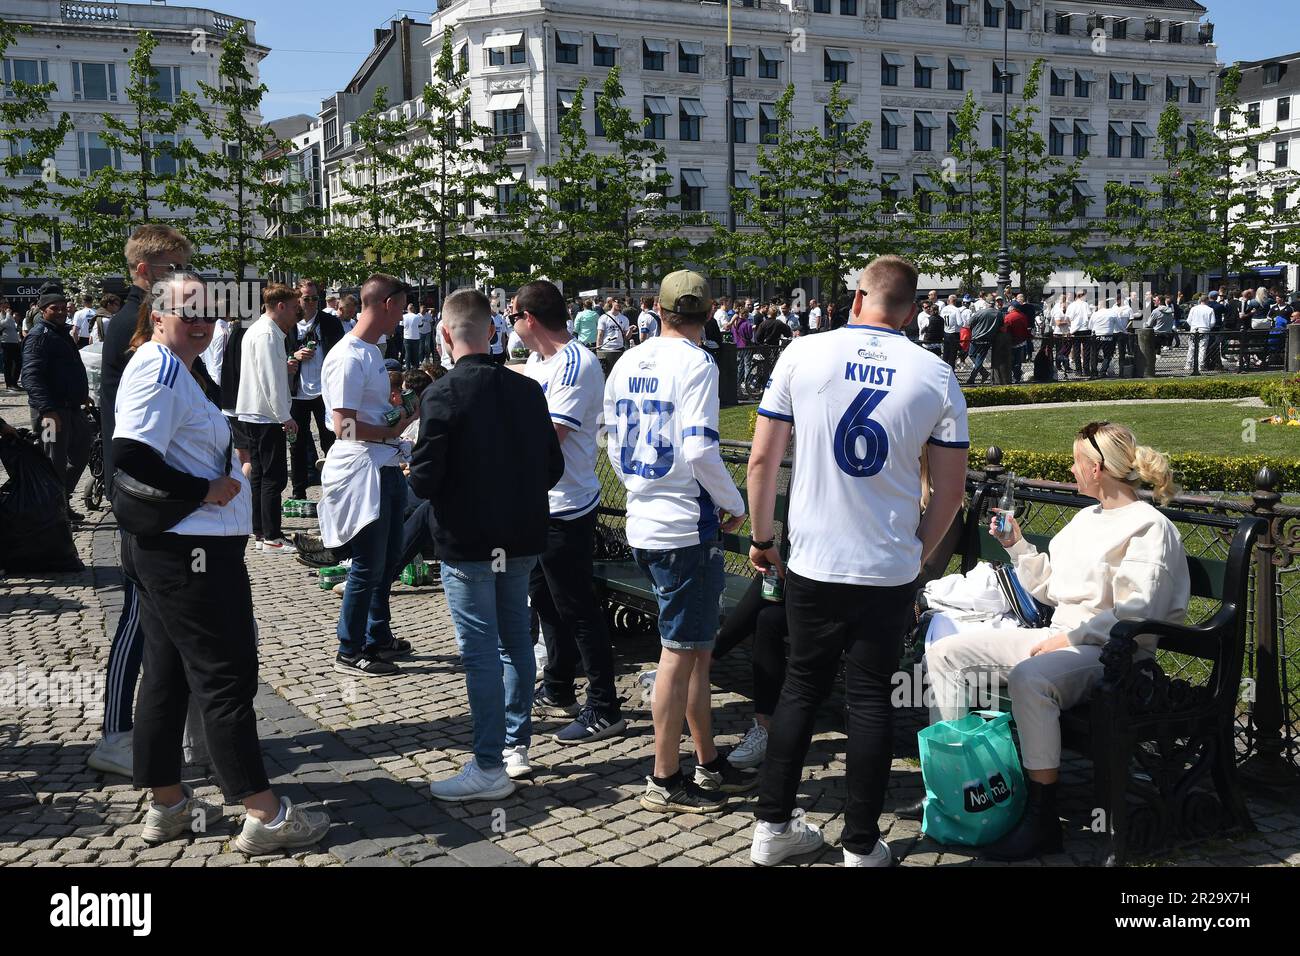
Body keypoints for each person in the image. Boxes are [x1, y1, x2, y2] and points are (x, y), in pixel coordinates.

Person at [746, 255, 969, 867]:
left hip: (814, 557)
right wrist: (915, 559)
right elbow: (950, 493)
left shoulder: (802, 353)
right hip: (886, 565)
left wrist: (764, 539)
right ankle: (861, 847)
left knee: (800, 688)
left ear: (854, 300)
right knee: (870, 698)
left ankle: (770, 829)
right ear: (914, 310)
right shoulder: (936, 374)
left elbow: (762, 462)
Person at [114, 271, 329, 853]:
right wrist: (200, 490)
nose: (202, 324)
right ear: (157, 316)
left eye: (209, 314)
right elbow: (129, 453)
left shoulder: (174, 367)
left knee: (168, 675)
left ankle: (169, 804)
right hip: (193, 549)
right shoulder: (159, 366)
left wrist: (220, 465)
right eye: (189, 314)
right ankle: (264, 812)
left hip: (181, 548)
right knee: (224, 674)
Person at [925, 422, 1188, 860]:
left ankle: (1042, 818)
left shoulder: (1149, 528)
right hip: (1060, 638)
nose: (1071, 468)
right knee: (946, 653)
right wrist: (1017, 546)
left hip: (1113, 655)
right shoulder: (1088, 517)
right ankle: (956, 788)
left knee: (1031, 678)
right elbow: (1052, 589)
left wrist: (1070, 636)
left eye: (1076, 462)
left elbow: (1136, 614)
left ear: (1097, 468)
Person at [605, 269, 755, 816]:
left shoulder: (626, 360)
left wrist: (639, 486)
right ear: (708, 312)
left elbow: (614, 436)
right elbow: (698, 447)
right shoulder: (697, 363)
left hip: (645, 516)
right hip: (683, 526)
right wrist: (734, 503)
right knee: (679, 652)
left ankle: (707, 759)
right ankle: (665, 775)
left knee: (695, 649)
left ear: (660, 310)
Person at [411, 289, 563, 799]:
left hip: (471, 540)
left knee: (481, 652)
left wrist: (420, 469)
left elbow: (425, 481)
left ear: (447, 335)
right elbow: (552, 467)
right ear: (492, 332)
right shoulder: (526, 391)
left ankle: (489, 763)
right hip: (518, 535)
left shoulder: (442, 394)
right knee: (515, 642)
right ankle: (515, 747)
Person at [513, 280, 626, 746]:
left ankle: (605, 706)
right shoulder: (540, 362)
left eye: (513, 315)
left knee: (578, 607)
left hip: (567, 504)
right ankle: (559, 685)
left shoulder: (576, 363)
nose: (510, 324)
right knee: (544, 599)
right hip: (540, 504)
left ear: (530, 318)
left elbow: (548, 439)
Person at [319, 274, 419, 676]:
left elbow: (371, 415)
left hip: (384, 463)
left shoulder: (372, 352)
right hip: (364, 470)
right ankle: (350, 646)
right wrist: (392, 430)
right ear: (388, 303)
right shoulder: (349, 356)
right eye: (403, 305)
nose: (404, 315)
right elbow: (341, 425)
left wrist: (401, 413)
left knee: (388, 559)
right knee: (367, 562)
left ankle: (378, 635)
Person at [235, 284, 300, 554]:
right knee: (273, 476)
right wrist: (285, 416)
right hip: (265, 414)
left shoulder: (261, 330)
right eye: (294, 307)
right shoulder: (267, 334)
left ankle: (261, 530)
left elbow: (267, 371)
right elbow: (270, 380)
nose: (297, 312)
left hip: (257, 411)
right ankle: (271, 534)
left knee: (261, 474)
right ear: (281, 306)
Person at [21, 282, 91, 515]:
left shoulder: (61, 332)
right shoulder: (38, 336)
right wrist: (47, 409)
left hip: (71, 408)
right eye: (55, 308)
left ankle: (60, 500)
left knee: (83, 450)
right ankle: (53, 511)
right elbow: (30, 376)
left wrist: (83, 395)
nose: (61, 311)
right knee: (54, 462)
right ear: (43, 310)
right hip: (51, 412)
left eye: (63, 307)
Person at [287, 279, 344, 502]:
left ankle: (334, 488)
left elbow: (341, 351)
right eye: (306, 299)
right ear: (297, 300)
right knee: (296, 444)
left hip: (324, 392)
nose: (311, 303)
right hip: (296, 393)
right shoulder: (289, 324)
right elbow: (278, 355)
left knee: (330, 440)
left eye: (314, 299)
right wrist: (294, 356)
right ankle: (298, 491)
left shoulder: (329, 322)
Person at [966, 292, 1000, 385]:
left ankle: (973, 377)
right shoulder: (999, 314)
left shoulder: (980, 312)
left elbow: (969, 323)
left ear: (986, 303)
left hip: (976, 337)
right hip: (988, 339)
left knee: (972, 355)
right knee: (979, 358)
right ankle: (983, 373)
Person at [1184, 294, 1215, 372]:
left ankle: (1188, 364)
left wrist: (1193, 326)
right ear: (1207, 300)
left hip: (1194, 329)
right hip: (1204, 330)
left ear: (1200, 300)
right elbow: (1212, 322)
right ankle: (1201, 365)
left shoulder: (1194, 309)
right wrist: (1208, 327)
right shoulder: (1210, 309)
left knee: (1191, 348)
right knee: (1202, 348)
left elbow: (1188, 320)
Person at [0, 298, 21, 390]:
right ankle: (9, 384)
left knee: (18, 362)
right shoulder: (3, 316)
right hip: (6, 342)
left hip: (15, 342)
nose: (6, 305)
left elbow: (12, 326)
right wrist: (8, 314)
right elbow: (4, 324)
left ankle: (14, 382)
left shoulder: (10, 316)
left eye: (7, 303)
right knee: (7, 364)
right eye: (3, 303)